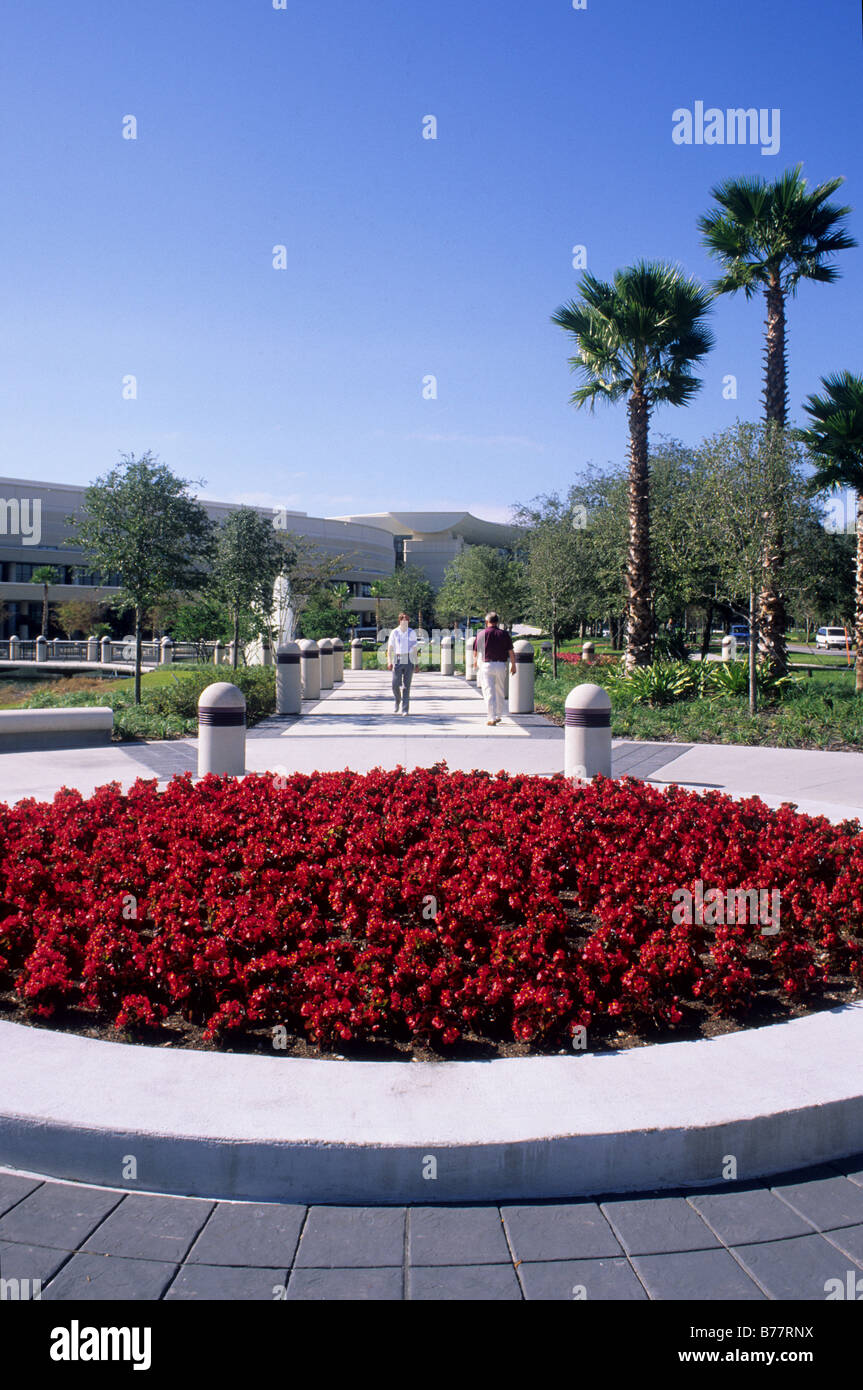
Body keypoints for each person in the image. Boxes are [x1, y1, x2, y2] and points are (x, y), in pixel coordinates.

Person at [474, 612, 515, 726]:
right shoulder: (504, 634)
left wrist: (475, 663)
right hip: (501, 665)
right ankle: (498, 715)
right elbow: (511, 651)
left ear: (487, 622)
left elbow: (475, 652)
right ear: (497, 622)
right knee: (500, 691)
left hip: (487, 665)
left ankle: (491, 717)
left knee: (489, 692)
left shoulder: (481, 634)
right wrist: (514, 665)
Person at [387, 612, 418, 715]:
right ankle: (397, 700)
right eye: (403, 619)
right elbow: (390, 648)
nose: (405, 621)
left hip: (408, 659)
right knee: (395, 684)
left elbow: (414, 649)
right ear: (399, 621)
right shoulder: (394, 632)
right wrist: (389, 661)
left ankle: (405, 709)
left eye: (406, 620)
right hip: (398, 658)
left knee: (406, 686)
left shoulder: (411, 632)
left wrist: (416, 663)